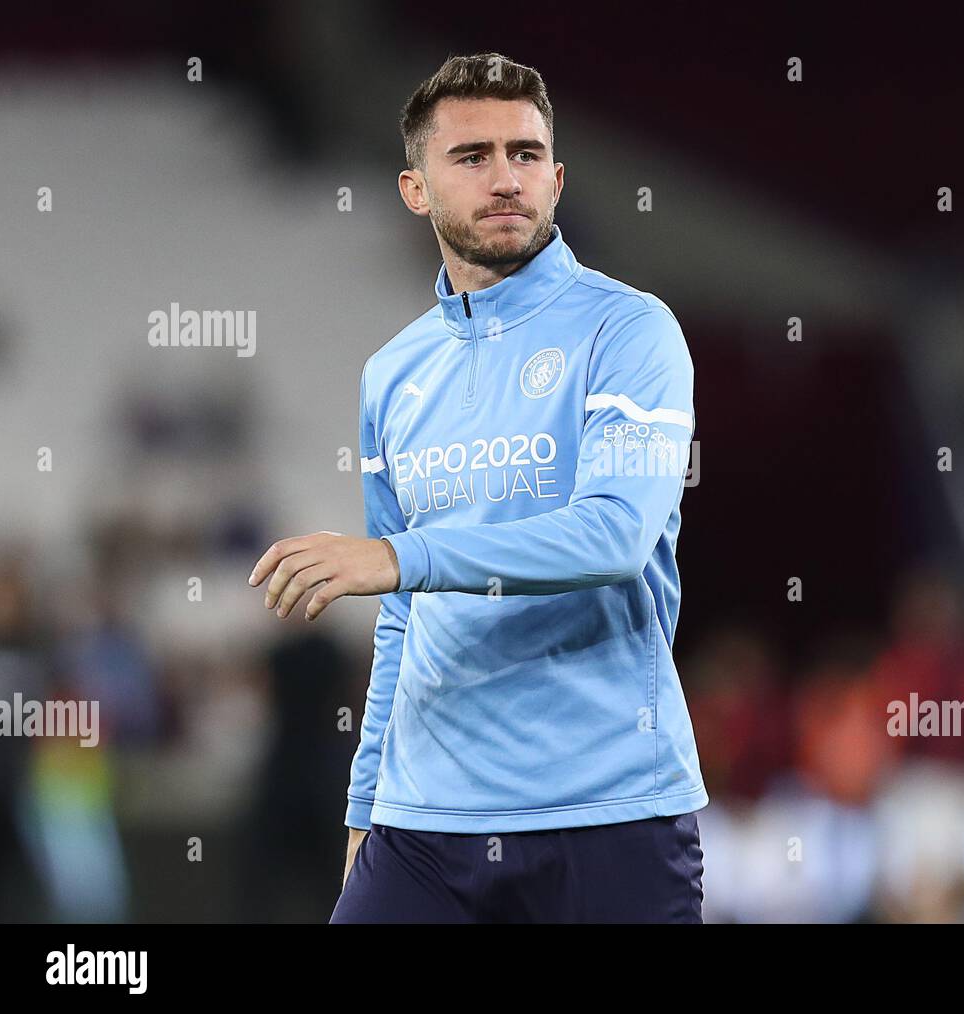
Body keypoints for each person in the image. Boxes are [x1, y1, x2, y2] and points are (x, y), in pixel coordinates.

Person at [248, 52, 706, 923]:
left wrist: (398, 555)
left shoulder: (630, 329)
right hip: (422, 830)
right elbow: (402, 618)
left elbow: (613, 536)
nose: (506, 179)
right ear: (416, 190)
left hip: (606, 812)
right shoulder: (393, 374)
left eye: (525, 155)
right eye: (472, 157)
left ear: (558, 178)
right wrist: (363, 807)